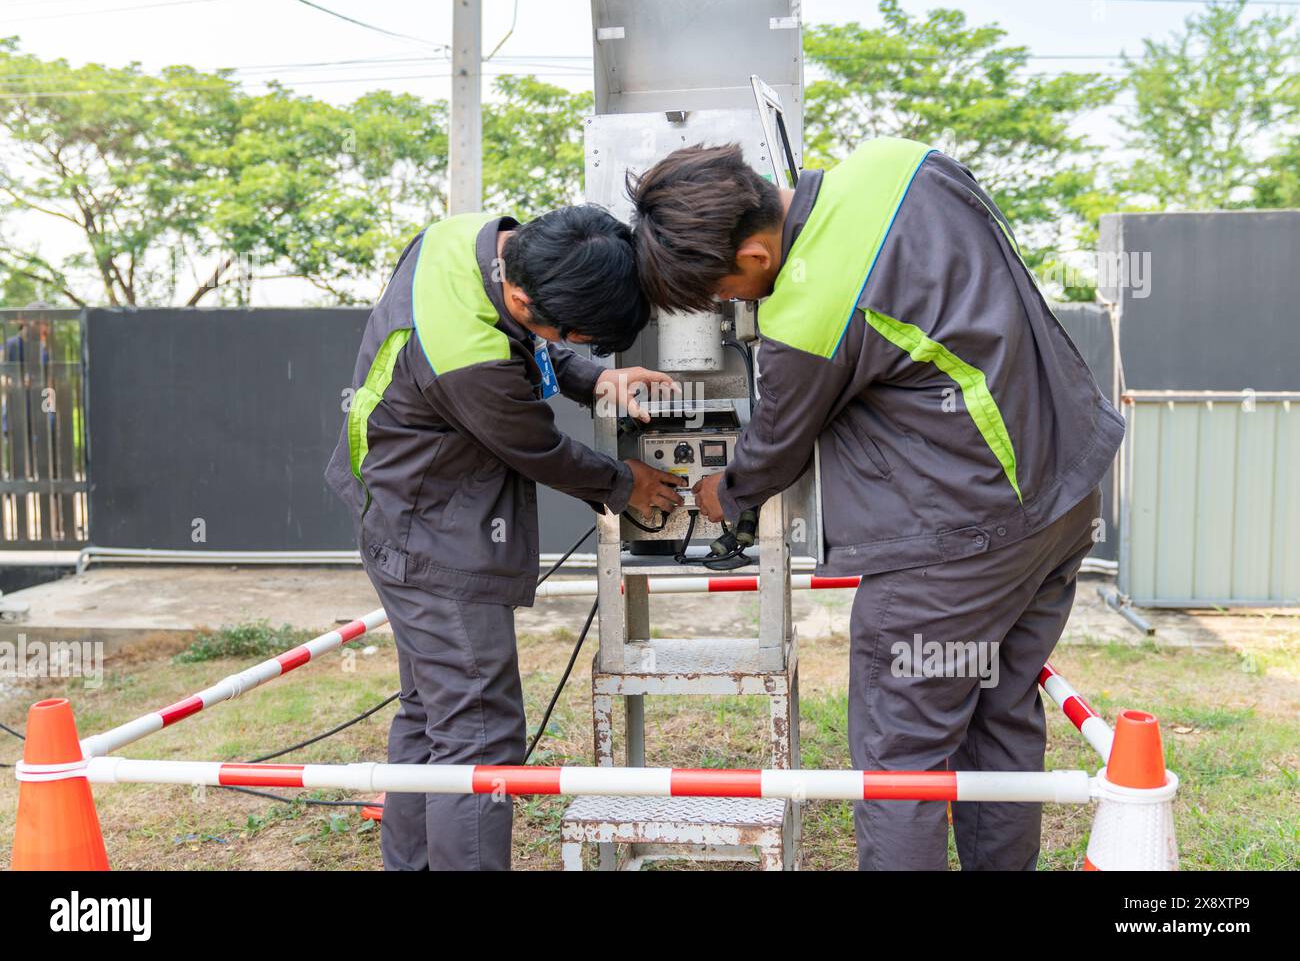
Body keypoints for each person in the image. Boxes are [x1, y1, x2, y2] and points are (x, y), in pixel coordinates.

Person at [627, 139, 1124, 870]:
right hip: (1065, 490)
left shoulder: (806, 318)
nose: (729, 307)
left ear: (757, 259)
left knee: (901, 760)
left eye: (723, 293)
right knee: (1001, 714)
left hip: (958, 542)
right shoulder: (904, 165)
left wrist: (720, 492)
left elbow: (775, 447)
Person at [326, 205, 685, 871]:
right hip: (432, 537)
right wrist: (623, 482)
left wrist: (594, 375)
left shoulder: (465, 242)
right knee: (478, 733)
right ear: (523, 296)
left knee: (432, 715)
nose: (569, 341)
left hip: (394, 505)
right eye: (575, 334)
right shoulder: (470, 362)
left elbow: (534, 340)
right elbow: (537, 447)